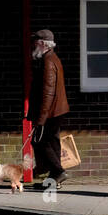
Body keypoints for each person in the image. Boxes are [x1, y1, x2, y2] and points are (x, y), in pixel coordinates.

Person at [28, 29, 70, 187]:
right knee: (52, 143)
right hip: (57, 110)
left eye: (35, 42)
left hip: (51, 112)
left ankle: (58, 172)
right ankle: (54, 180)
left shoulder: (48, 61)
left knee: (40, 141)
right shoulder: (53, 58)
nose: (33, 45)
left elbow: (48, 93)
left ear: (42, 43)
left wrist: (41, 118)